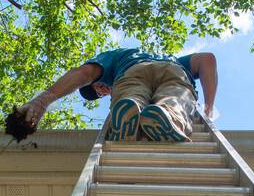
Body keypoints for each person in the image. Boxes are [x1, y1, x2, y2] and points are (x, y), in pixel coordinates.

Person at [18, 47, 218, 142]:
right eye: (100, 94)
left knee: (130, 95)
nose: (102, 91)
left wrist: (43, 100)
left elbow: (84, 73)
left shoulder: (116, 58)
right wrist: (208, 106)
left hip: (132, 71)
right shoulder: (170, 58)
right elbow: (207, 59)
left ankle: (131, 117)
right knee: (174, 99)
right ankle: (166, 116)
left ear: (100, 80)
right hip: (174, 70)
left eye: (98, 87)